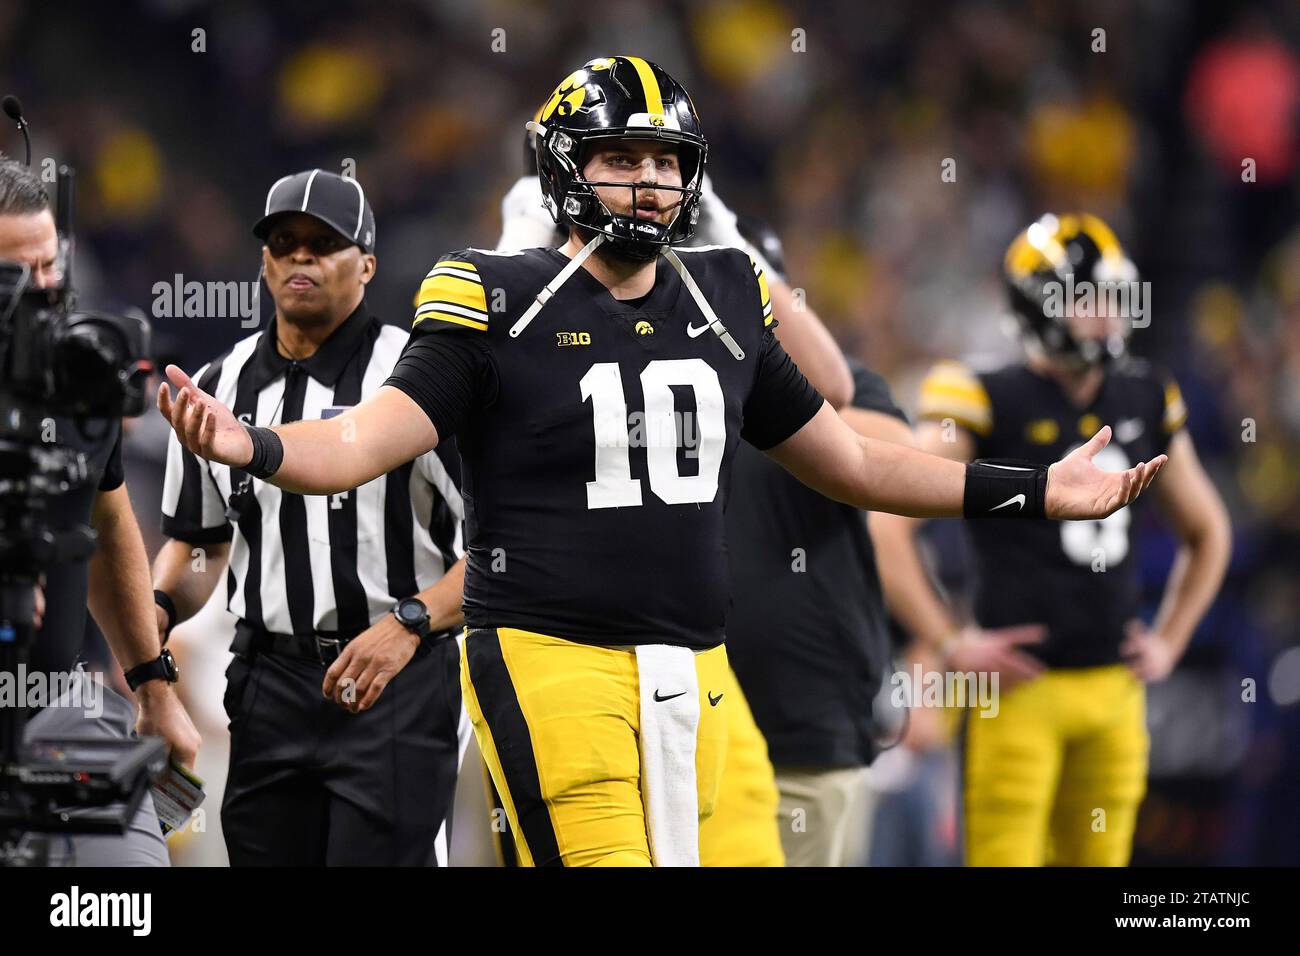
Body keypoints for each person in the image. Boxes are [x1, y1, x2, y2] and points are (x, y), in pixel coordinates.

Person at [156, 60, 1166, 867]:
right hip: (551, 657)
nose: (648, 181)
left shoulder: (726, 288)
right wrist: (255, 444)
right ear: (564, 165)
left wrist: (1032, 490)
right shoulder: (491, 293)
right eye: (620, 156)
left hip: (699, 664)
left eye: (666, 160)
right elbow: (363, 438)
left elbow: (854, 460)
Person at [871, 212, 1232, 866]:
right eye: (1086, 298)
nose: (1106, 314)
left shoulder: (1146, 393)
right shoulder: (983, 393)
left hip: (1114, 692)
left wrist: (1171, 638)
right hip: (1017, 693)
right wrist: (951, 644)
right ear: (1039, 307)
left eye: (1111, 296)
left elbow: (1208, 531)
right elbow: (888, 527)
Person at [151, 169, 467, 866]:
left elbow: (506, 548)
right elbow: (197, 541)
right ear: (263, 261)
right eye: (285, 242)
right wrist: (156, 609)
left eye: (324, 243)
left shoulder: (420, 376)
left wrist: (411, 622)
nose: (302, 257)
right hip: (269, 682)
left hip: (396, 680)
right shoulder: (216, 385)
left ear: (367, 264)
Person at [0, 154, 200, 866]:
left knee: (122, 902)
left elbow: (109, 518)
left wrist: (153, 683)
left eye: (52, 266)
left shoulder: (77, 371)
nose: (45, 291)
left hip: (61, 712)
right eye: (18, 276)